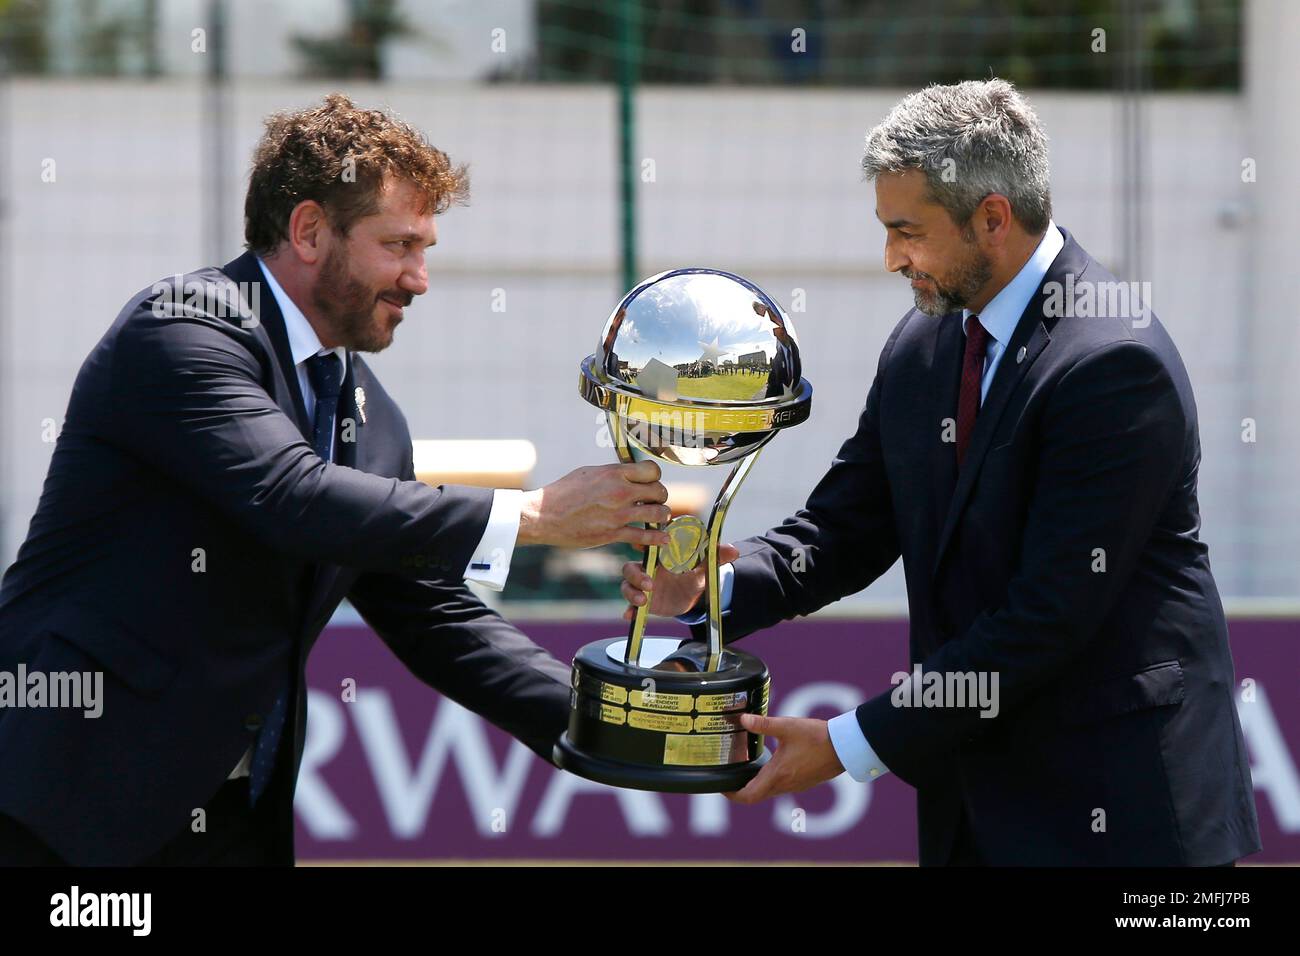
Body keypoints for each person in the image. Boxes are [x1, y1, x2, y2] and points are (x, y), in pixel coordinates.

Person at [0, 93, 671, 866]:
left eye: (425, 250)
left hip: (233, 817)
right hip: (63, 809)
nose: (419, 279)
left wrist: (612, 725)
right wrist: (531, 515)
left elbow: (432, 612)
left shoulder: (368, 413)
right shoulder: (181, 326)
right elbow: (292, 498)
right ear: (310, 231)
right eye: (398, 246)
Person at [623, 79, 1261, 866]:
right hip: (972, 813)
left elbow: (1046, 619)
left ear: (992, 217)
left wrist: (847, 743)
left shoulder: (1112, 361)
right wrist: (711, 586)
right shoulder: (923, 344)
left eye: (907, 232)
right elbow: (846, 525)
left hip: (1123, 819)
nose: (891, 258)